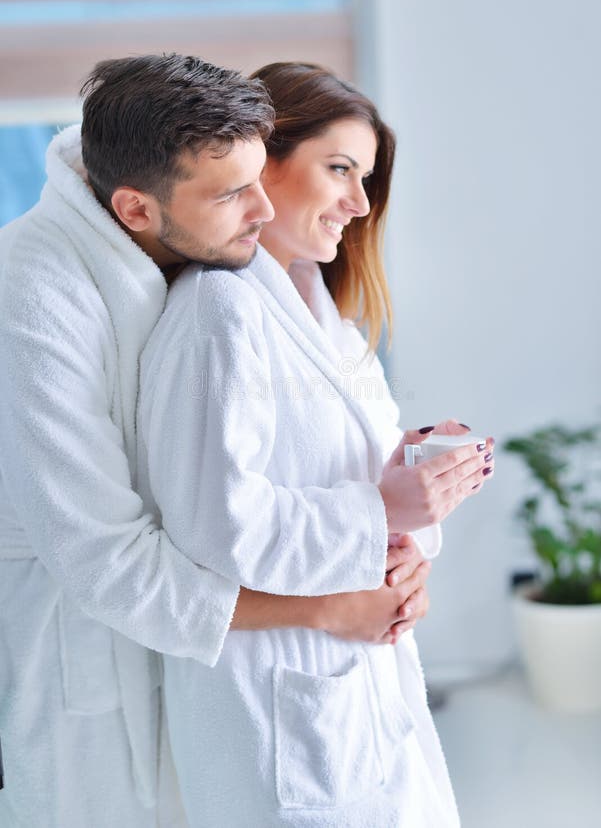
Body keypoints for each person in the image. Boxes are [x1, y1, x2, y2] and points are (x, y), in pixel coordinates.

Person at [0, 54, 432, 828]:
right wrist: (324, 609)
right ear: (135, 209)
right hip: (80, 659)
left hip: (197, 657)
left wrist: (390, 555)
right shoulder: (33, 296)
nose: (262, 210)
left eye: (258, 177)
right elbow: (103, 560)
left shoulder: (181, 237)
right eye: (234, 193)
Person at [137, 61, 494, 826]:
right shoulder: (219, 312)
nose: (359, 203)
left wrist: (408, 552)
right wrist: (380, 511)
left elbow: (371, 492)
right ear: (259, 161)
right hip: (272, 707)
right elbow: (215, 526)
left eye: (364, 179)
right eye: (339, 169)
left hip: (353, 687)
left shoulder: (330, 324)